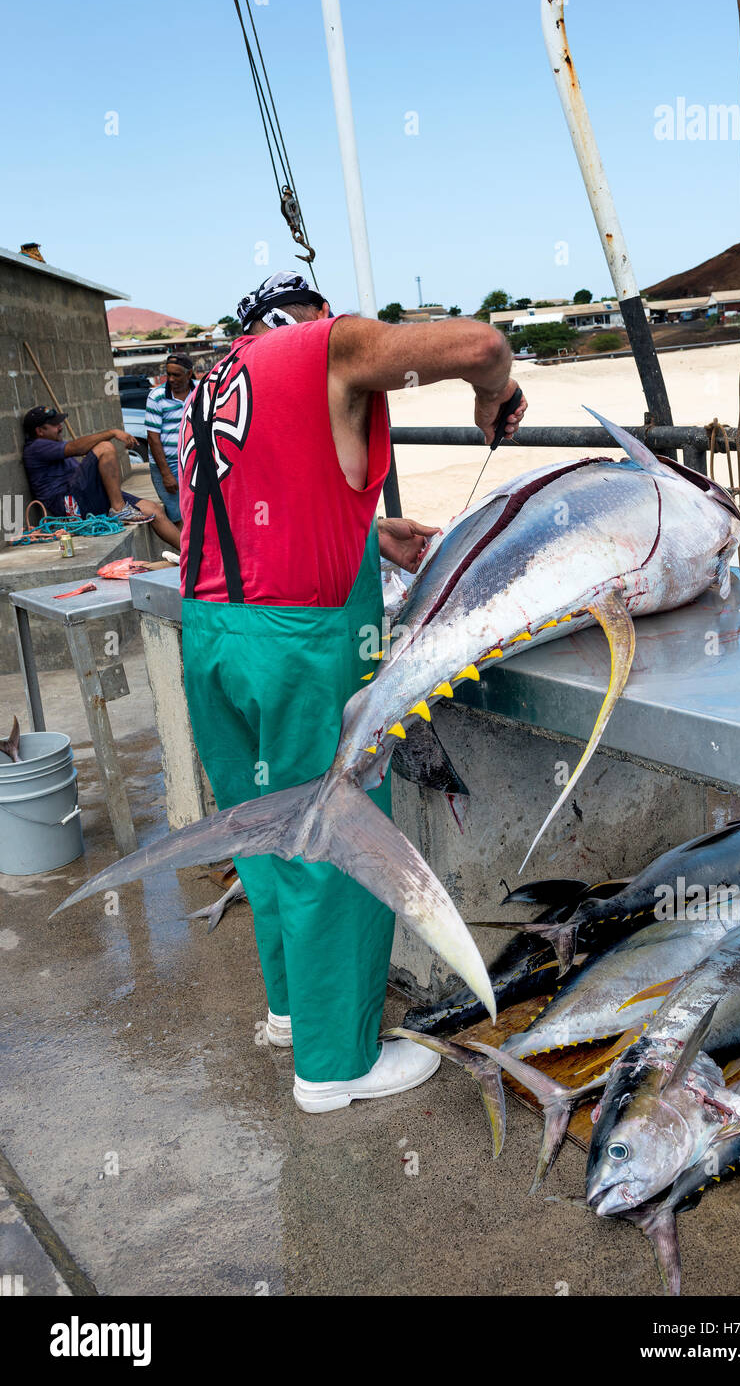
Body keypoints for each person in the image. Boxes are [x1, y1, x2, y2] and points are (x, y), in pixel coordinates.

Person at [178, 270, 527, 1114]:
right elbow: (479, 342)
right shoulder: (324, 347)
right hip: (302, 646)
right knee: (335, 838)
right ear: (318, 319)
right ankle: (335, 1069)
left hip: (213, 632)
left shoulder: (215, 381)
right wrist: (497, 393)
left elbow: (258, 494)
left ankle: (293, 1013)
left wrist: (367, 534)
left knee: (261, 827)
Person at [21, 406, 181, 551]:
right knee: (105, 447)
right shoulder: (36, 447)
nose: (60, 427)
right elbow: (76, 447)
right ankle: (119, 510)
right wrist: (113, 432)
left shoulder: (53, 444)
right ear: (39, 431)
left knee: (154, 510)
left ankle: (196, 559)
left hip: (86, 495)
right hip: (70, 503)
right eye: (54, 425)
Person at [144, 354, 196, 523]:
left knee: (199, 514)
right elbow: (153, 438)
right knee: (179, 518)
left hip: (194, 463)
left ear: (189, 375)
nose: (171, 379)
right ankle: (186, 550)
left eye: (177, 375)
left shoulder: (199, 393)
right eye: (169, 374)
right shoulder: (157, 396)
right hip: (168, 466)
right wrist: (166, 474)